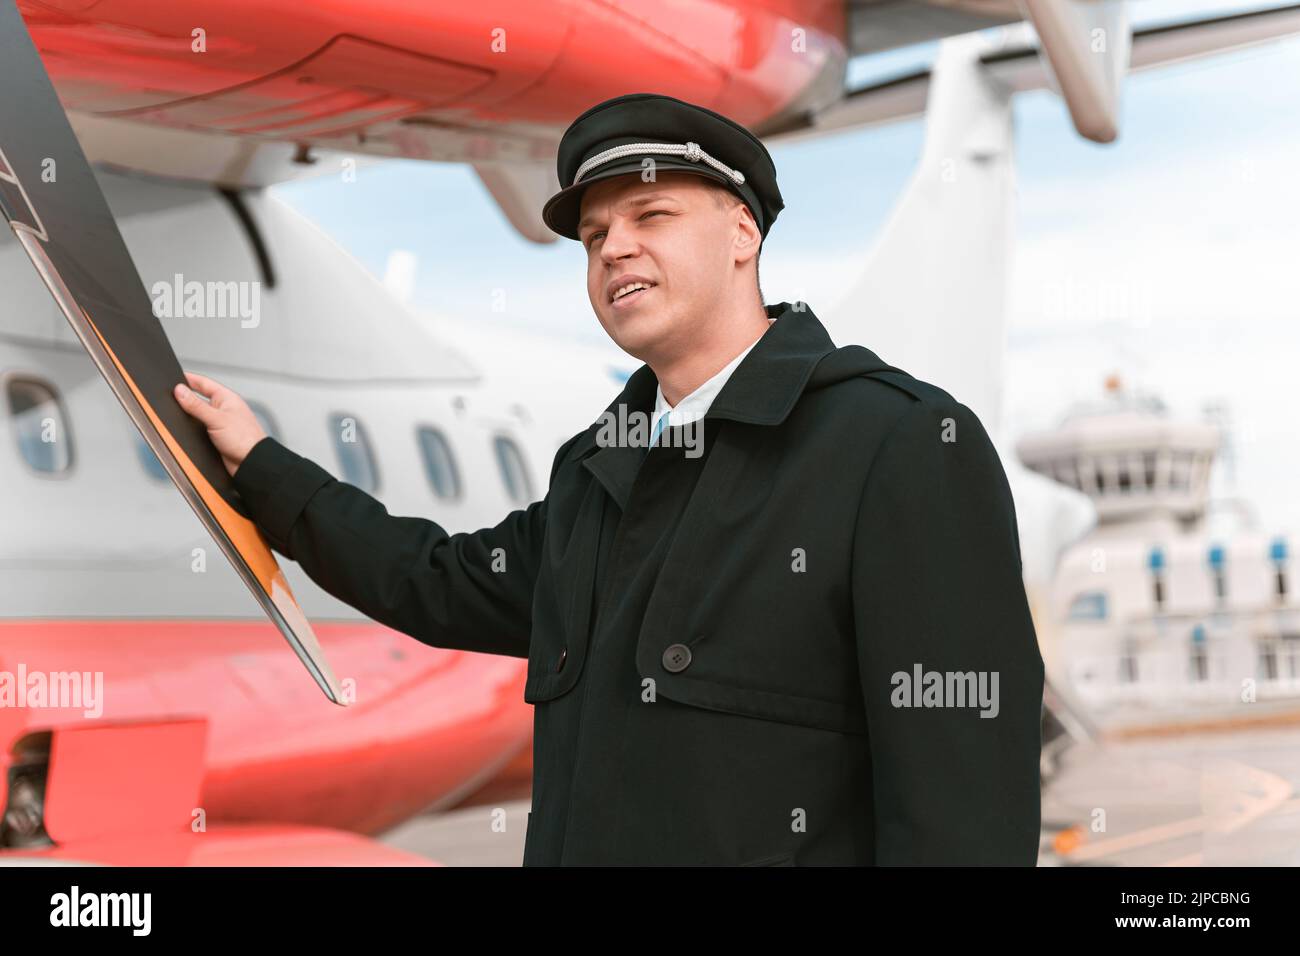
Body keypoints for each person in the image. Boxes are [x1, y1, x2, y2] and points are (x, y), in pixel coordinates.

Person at [174, 92, 1044, 866]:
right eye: (594, 236)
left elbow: (961, 814)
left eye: (650, 215)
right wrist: (263, 466)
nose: (613, 249)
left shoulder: (895, 444)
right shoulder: (600, 471)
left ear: (744, 233)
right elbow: (432, 580)